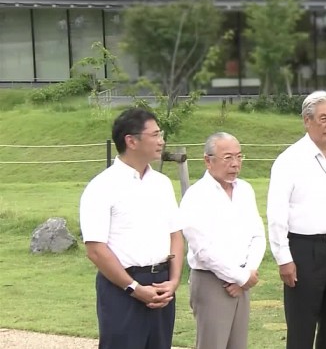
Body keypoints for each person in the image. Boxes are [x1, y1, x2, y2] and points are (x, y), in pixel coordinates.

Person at [267, 90, 326, 349]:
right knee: (302, 326)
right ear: (307, 120)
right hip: (304, 249)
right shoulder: (289, 160)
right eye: (323, 118)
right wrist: (283, 258)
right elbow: (276, 214)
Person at [79, 108, 183, 349]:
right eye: (155, 135)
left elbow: (175, 234)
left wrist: (174, 280)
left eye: (161, 134)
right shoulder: (102, 187)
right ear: (131, 140)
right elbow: (95, 249)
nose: (161, 141)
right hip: (122, 286)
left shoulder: (162, 184)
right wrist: (133, 288)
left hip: (161, 285)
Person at [181, 132, 265, 349]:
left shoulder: (245, 190)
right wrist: (239, 277)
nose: (235, 164)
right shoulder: (196, 196)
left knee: (238, 345)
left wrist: (248, 272)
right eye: (228, 158)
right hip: (212, 282)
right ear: (208, 161)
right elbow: (203, 250)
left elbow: (257, 234)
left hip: (242, 279)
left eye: (239, 157)